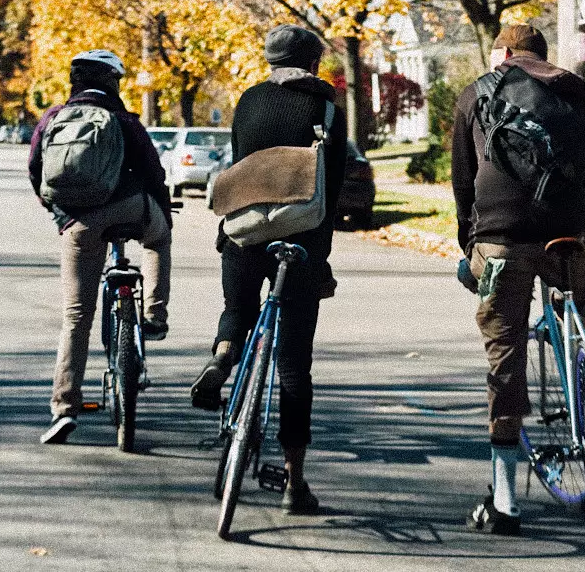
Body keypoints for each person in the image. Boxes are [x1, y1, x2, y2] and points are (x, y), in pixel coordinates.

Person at [452, 24, 585, 535]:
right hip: (566, 232)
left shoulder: (479, 92)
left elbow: (463, 182)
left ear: (504, 53)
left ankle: (505, 501)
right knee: (582, 310)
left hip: (502, 237)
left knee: (505, 352)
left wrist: (470, 246)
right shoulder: (575, 93)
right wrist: (582, 228)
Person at [190, 25, 347, 515]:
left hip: (244, 234)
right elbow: (332, 191)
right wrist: (320, 260)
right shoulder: (327, 109)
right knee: (295, 365)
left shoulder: (248, 101)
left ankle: (223, 355)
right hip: (299, 241)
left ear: (270, 61)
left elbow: (241, 167)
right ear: (314, 63)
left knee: (237, 307)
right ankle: (294, 484)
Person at [29, 49, 173, 445]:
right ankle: (154, 315)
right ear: (113, 81)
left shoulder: (53, 118)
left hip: (80, 223)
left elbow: (36, 172)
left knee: (76, 317)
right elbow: (154, 173)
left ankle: (64, 406)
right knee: (159, 238)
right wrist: (162, 210)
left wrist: (64, 216)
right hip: (130, 208)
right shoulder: (125, 120)